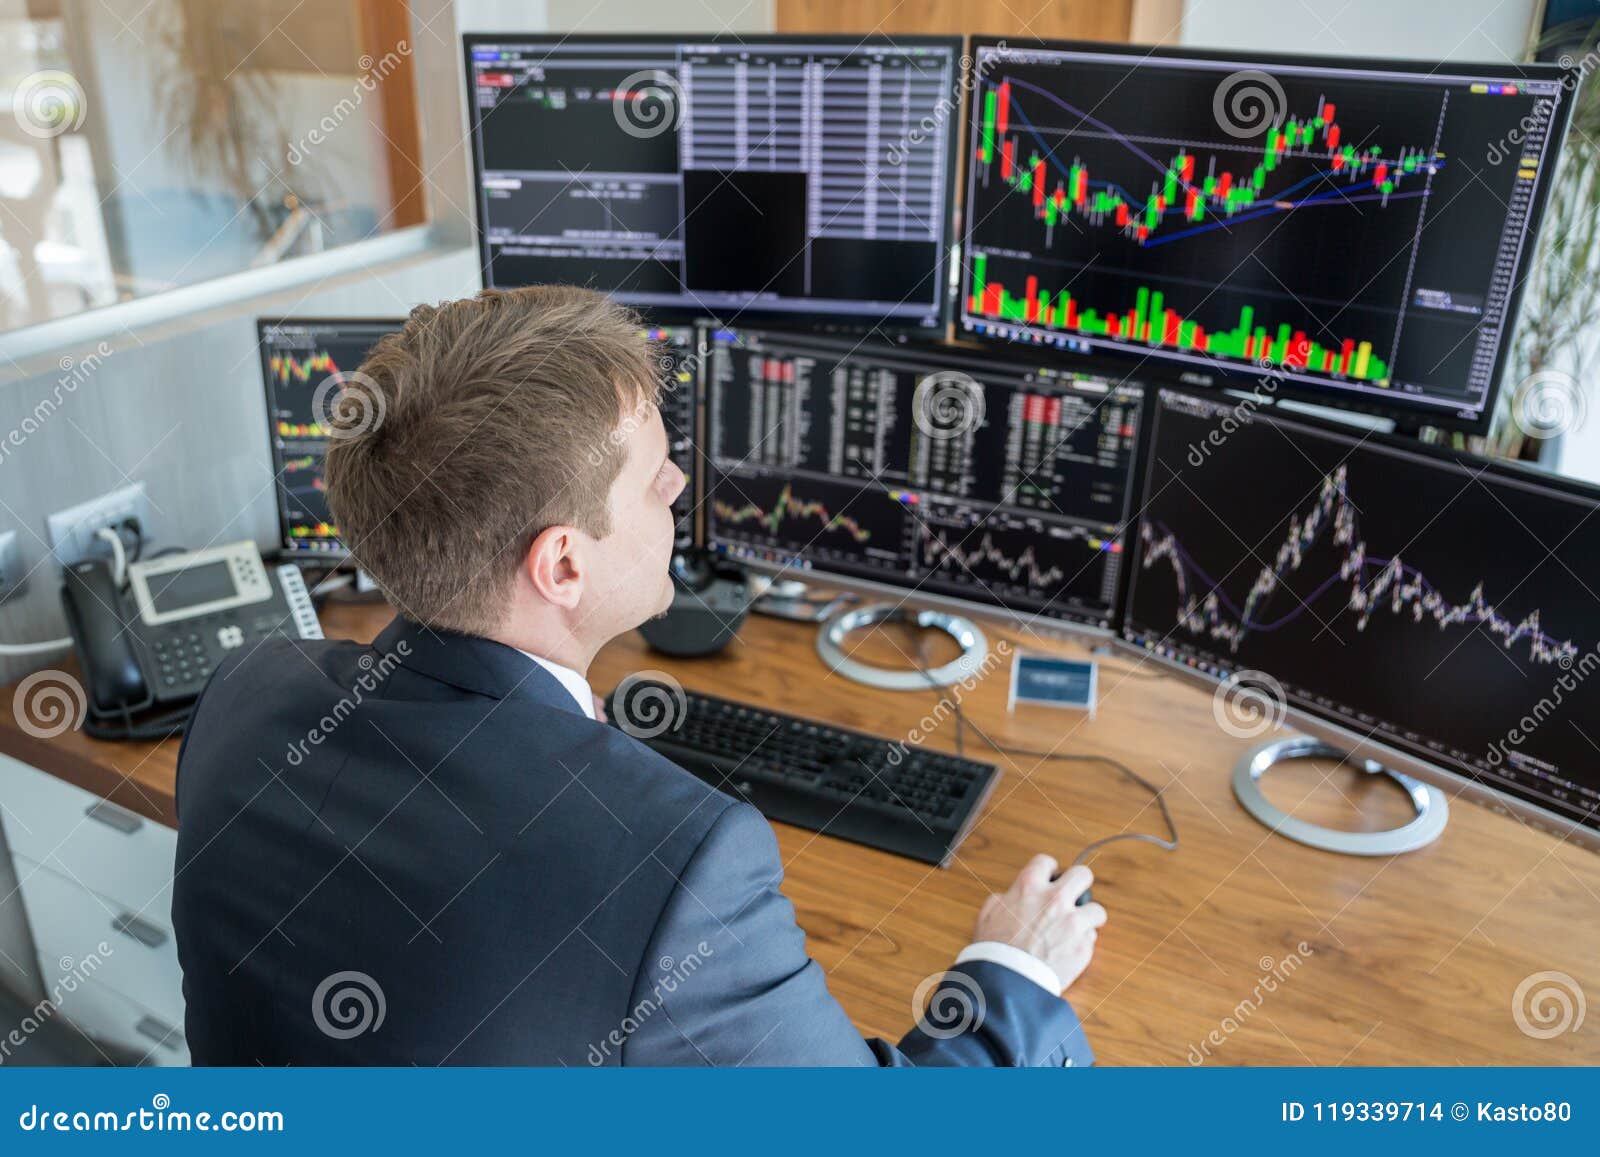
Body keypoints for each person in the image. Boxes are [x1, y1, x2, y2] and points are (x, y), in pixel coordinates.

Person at [171, 286, 1107, 1065]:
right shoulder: (681, 865)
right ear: (563, 564)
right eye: (655, 474)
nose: (677, 487)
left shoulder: (246, 696)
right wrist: (1012, 969)